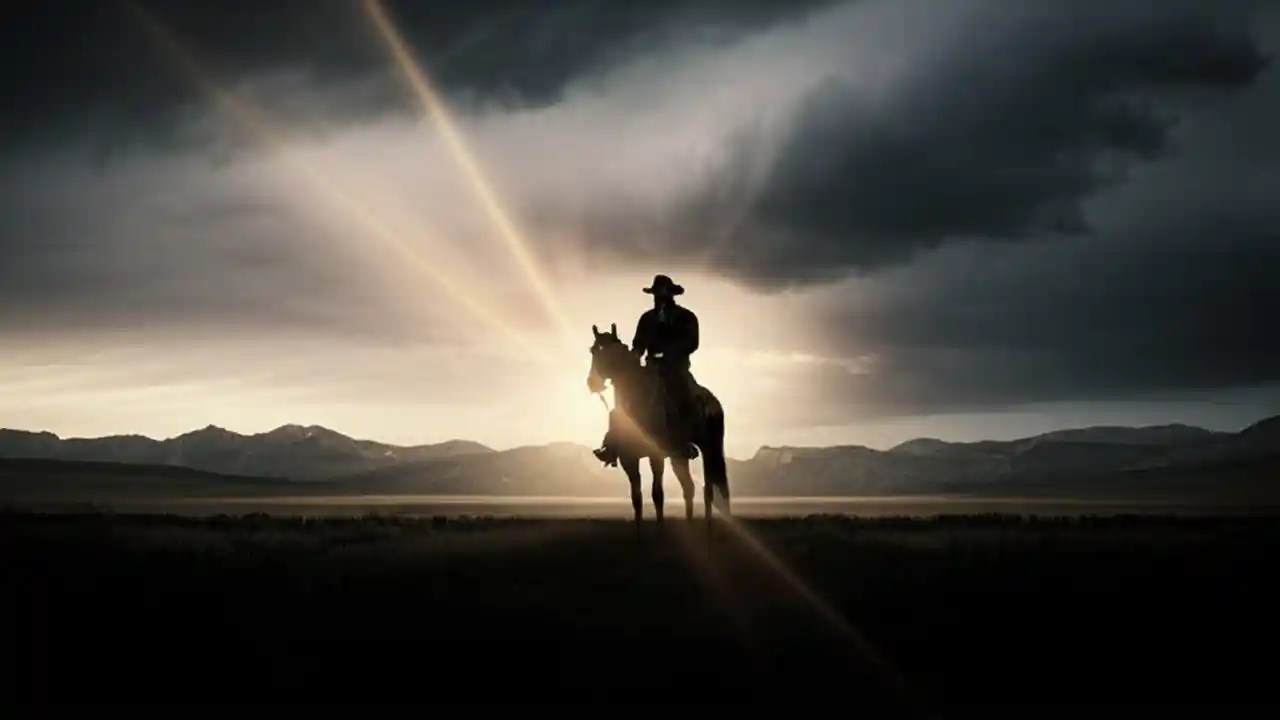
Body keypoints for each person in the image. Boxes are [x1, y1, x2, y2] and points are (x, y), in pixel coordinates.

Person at [593, 274, 700, 465]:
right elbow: (638, 345)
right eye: (656, 293)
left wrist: (670, 353)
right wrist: (632, 357)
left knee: (681, 394)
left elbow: (692, 343)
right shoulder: (646, 319)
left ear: (671, 294)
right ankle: (612, 444)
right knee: (623, 400)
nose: (658, 297)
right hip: (650, 367)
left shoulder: (686, 317)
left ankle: (684, 441)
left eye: (662, 292)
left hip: (676, 367)